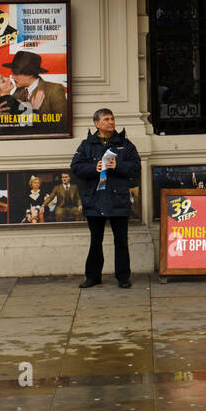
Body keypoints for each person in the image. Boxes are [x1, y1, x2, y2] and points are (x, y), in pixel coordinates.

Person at [70, 109, 141, 288]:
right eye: (106, 119)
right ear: (97, 124)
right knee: (96, 240)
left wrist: (118, 165)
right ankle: (93, 276)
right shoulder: (87, 145)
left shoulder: (125, 144)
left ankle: (123, 277)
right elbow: (76, 167)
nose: (111, 122)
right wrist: (95, 167)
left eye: (112, 119)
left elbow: (135, 166)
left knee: (121, 241)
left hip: (118, 199)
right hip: (94, 199)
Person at [0, 49, 69, 128]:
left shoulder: (54, 90)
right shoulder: (16, 94)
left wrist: (34, 114)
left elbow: (62, 125)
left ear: (30, 74)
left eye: (16, 72)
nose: (12, 77)